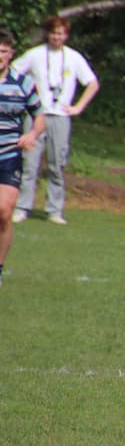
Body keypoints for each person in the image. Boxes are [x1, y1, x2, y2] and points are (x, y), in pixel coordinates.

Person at [12, 16, 99, 225]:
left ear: (66, 35)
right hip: (36, 115)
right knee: (29, 162)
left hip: (60, 116)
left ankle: (54, 210)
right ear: (47, 34)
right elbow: (13, 72)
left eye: (60, 33)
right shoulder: (35, 55)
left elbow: (92, 83)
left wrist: (77, 107)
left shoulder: (74, 57)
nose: (56, 37)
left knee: (57, 164)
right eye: (53, 33)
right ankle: (22, 207)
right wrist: (26, 95)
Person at [0, 29, 46, 286]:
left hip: (9, 154)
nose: (0, 55)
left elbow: (39, 115)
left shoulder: (23, 83)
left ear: (11, 54)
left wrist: (32, 135)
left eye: (4, 50)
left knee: (4, 212)